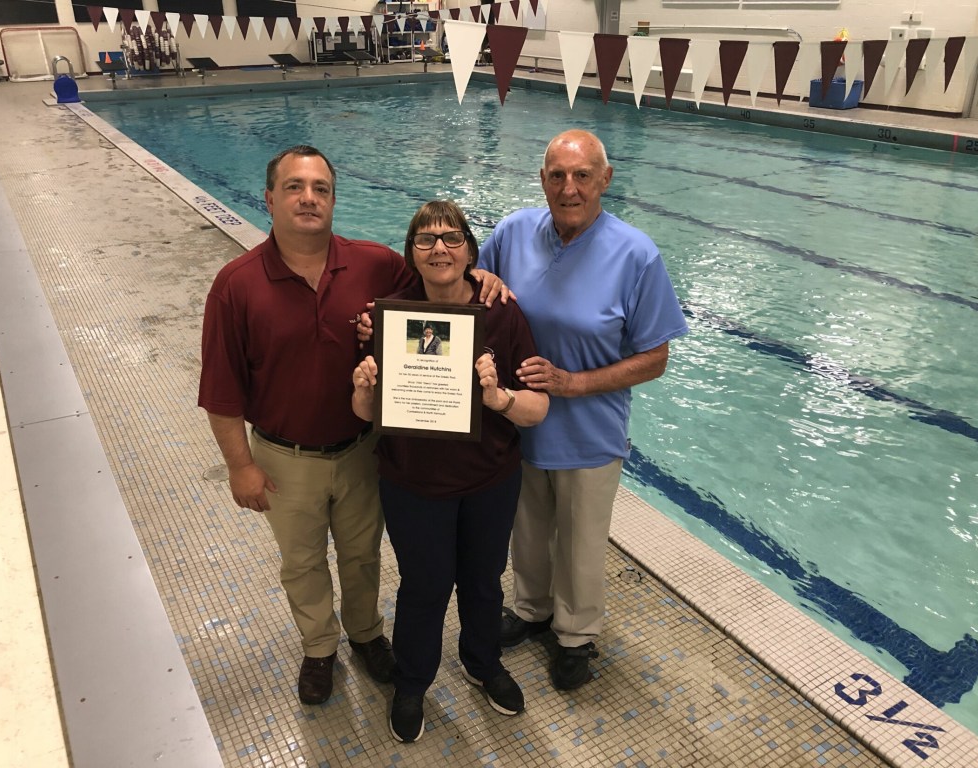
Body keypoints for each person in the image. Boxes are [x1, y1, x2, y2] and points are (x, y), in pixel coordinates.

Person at [198, 146, 505, 707]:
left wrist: (480, 273)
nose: (308, 198)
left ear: (335, 199)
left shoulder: (374, 265)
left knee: (362, 553)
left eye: (320, 188)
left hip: (363, 449)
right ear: (270, 199)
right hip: (283, 457)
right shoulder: (236, 285)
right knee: (303, 561)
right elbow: (220, 391)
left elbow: (437, 277)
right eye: (294, 187)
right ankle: (319, 647)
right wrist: (239, 465)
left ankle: (366, 635)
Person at [478, 129, 689, 691]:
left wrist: (574, 383)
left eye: (582, 176)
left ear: (605, 180)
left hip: (589, 431)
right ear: (542, 180)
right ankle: (531, 609)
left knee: (581, 542)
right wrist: (479, 277)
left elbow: (655, 358)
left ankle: (575, 635)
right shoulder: (513, 233)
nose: (569, 188)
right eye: (556, 176)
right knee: (527, 530)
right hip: (520, 423)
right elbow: (472, 290)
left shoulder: (636, 254)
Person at [352, 200, 548, 743]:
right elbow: (366, 411)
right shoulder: (388, 317)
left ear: (470, 250)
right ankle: (413, 681)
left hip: (489, 480)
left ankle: (482, 663)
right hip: (413, 484)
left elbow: (538, 408)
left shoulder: (503, 313)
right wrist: (361, 387)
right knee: (424, 586)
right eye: (426, 238)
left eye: (452, 237)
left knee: (484, 582)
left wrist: (498, 397)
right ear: (411, 253)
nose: (440, 247)